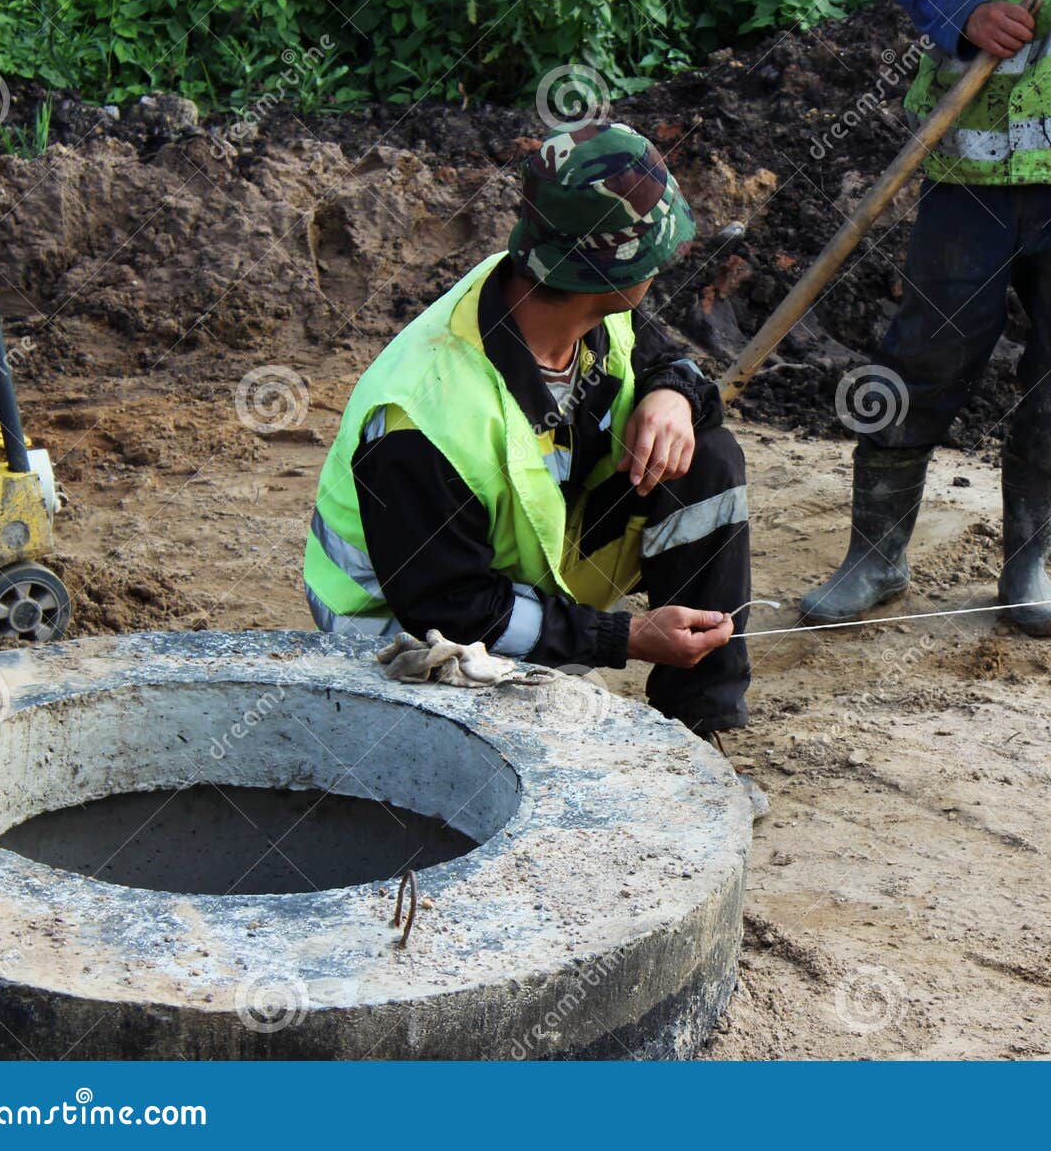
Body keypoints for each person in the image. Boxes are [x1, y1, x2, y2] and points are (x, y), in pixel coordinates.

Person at [305, 121, 764, 814]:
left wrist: (673, 394)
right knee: (536, 772)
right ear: (607, 272)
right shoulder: (423, 419)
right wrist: (626, 637)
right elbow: (450, 608)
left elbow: (661, 352)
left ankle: (695, 740)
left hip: (516, 563)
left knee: (708, 461)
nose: (663, 268)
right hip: (398, 622)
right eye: (653, 253)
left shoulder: (565, 298)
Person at [801, 0, 1051, 636]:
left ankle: (1027, 566)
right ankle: (876, 555)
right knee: (926, 351)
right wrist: (960, 13)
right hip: (971, 158)